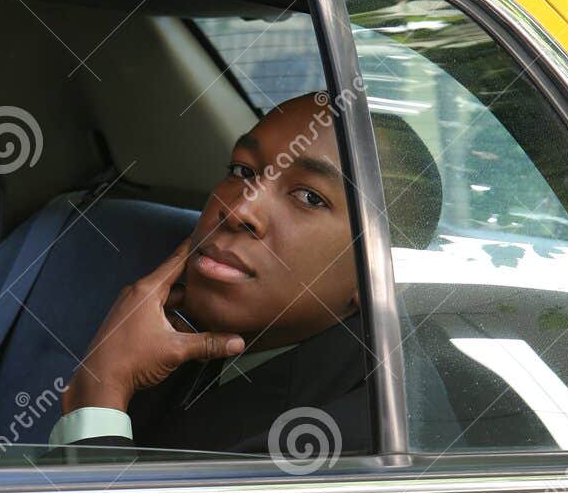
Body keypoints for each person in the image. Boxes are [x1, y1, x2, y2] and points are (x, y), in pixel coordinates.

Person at [49, 91, 371, 457]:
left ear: (374, 270)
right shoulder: (173, 335)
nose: (238, 209)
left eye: (309, 197)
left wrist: (99, 393)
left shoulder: (344, 441)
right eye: (242, 171)